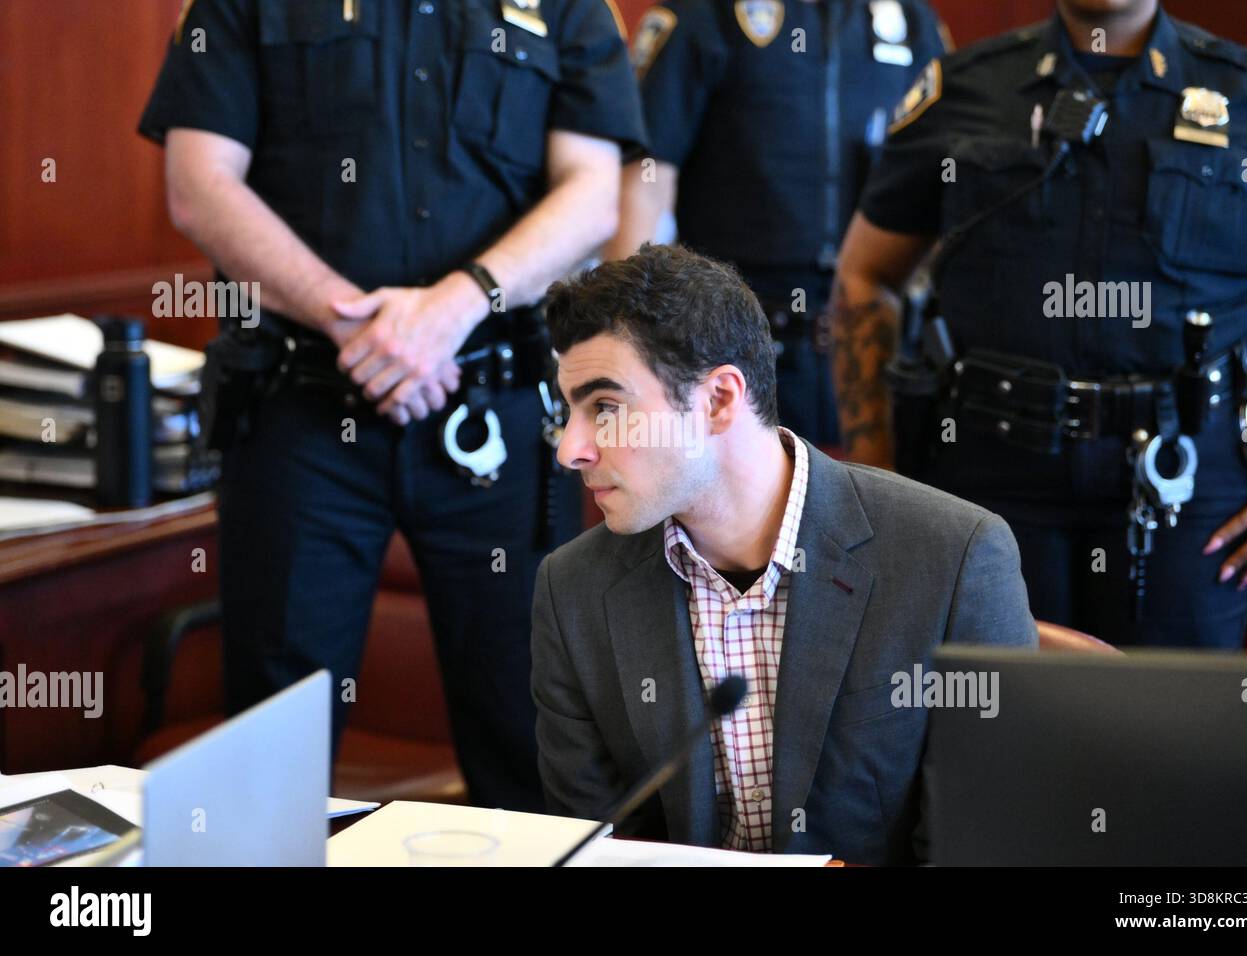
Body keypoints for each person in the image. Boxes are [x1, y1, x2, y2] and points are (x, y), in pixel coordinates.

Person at [138, 0, 645, 810]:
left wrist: (450, 308)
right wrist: (360, 325)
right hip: (298, 414)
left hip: (496, 416)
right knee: (274, 742)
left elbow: (592, 197)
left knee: (535, 735)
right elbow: (199, 184)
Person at [531, 244, 1036, 864]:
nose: (570, 449)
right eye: (569, 411)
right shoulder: (572, 589)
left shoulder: (954, 557)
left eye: (604, 407)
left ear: (717, 400)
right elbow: (591, 848)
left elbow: (985, 849)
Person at [833, 0, 1247, 647]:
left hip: (1192, 487)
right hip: (990, 478)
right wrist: (875, 475)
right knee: (1002, 726)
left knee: (1169, 729)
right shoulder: (963, 89)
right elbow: (865, 276)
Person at [606, 0, 950, 446]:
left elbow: (942, 187)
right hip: (736, 349)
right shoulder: (702, 14)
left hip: (877, 348)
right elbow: (646, 184)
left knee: (872, 508)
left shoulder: (909, 22)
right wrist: (630, 346)